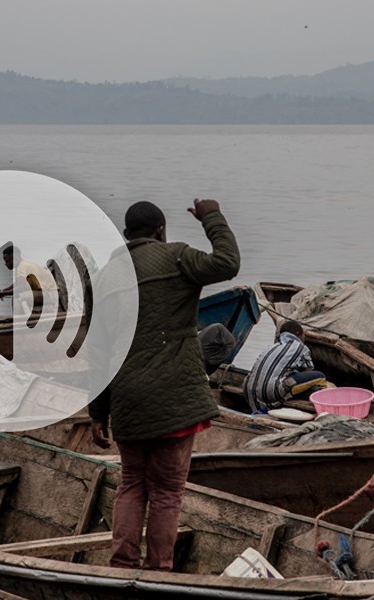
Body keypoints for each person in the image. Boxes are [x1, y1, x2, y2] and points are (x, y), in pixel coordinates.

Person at [88, 198, 240, 570]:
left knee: (131, 484)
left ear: (127, 235)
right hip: (175, 400)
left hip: (128, 401)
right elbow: (228, 262)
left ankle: (123, 566)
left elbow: (99, 354)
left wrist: (97, 414)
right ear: (161, 231)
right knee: (167, 493)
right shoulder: (177, 257)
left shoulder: (105, 277)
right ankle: (159, 572)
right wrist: (211, 216)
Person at [243, 320, 330, 413]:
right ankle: (322, 401)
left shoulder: (272, 347)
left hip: (248, 390)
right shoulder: (301, 347)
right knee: (320, 377)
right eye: (303, 335)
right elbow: (308, 372)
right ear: (298, 334)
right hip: (271, 393)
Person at [0, 245, 58, 315]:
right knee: (18, 295)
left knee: (18, 297)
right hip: (49, 293)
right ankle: (20, 317)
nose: (5, 264)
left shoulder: (21, 267)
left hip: (50, 294)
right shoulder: (24, 264)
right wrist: (2, 291)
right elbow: (17, 283)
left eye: (7, 261)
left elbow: (20, 288)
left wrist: (1, 294)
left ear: (15, 258)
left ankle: (19, 319)